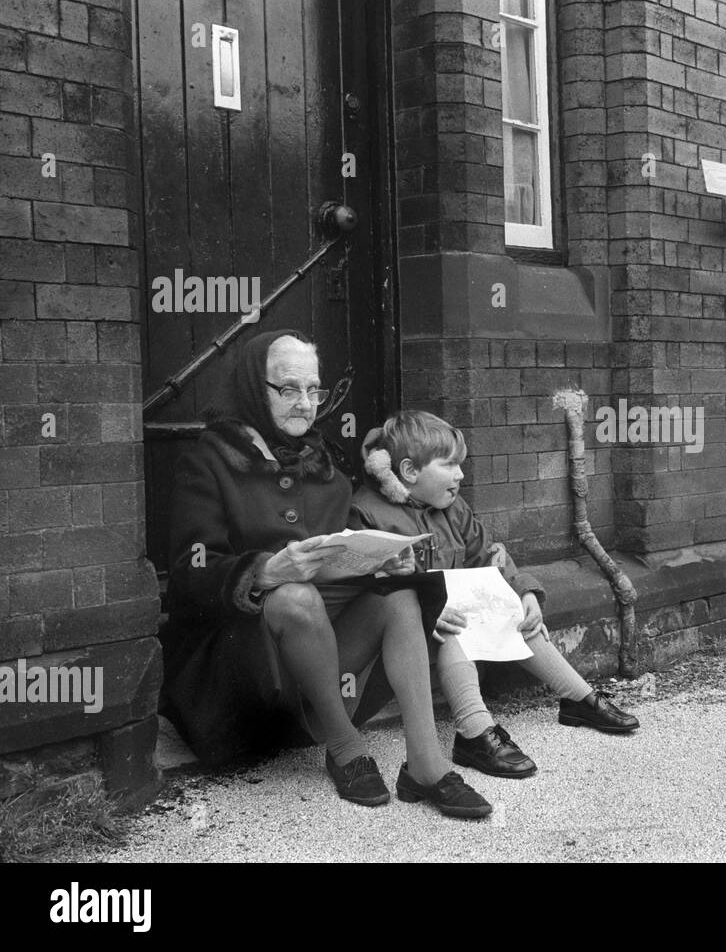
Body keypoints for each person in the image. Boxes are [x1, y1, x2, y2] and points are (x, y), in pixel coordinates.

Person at [158, 329, 491, 819]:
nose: (306, 403)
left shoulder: (327, 470)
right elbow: (191, 568)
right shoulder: (208, 462)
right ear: (256, 386)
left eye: (314, 390)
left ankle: (426, 764)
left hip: (317, 667)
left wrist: (379, 564)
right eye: (288, 389)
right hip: (241, 673)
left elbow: (340, 566)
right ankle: (344, 745)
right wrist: (266, 570)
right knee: (296, 596)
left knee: (398, 595)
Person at [349, 409, 639, 780]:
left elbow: (489, 555)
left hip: (451, 611)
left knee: (513, 610)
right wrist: (426, 614)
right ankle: (474, 731)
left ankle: (579, 698)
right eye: (449, 465)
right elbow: (368, 591)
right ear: (410, 472)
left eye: (461, 464)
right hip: (402, 640)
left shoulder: (451, 509)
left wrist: (524, 593)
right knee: (451, 626)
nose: (461, 475)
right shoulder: (369, 514)